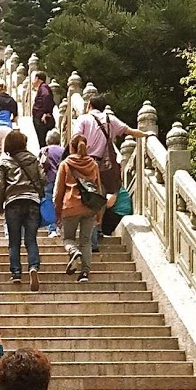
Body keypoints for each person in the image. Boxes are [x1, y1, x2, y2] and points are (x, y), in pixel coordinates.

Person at [77, 94, 147, 253]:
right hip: (104, 167)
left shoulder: (84, 119)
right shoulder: (110, 120)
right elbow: (130, 131)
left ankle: (87, 240)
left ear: (89, 105)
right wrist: (145, 134)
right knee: (97, 201)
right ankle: (95, 236)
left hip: (85, 165)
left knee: (85, 202)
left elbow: (76, 139)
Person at [0, 128, 44, 290]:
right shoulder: (33, 159)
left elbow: (0, 186)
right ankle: (33, 267)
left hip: (13, 203)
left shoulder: (4, 162)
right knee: (31, 239)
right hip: (32, 201)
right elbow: (43, 178)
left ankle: (16, 273)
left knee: (14, 241)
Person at [53, 133, 104, 283]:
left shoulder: (65, 164)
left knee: (68, 238)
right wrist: (99, 212)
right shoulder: (93, 165)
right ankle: (85, 273)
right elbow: (98, 189)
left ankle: (74, 252)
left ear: (71, 147)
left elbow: (58, 191)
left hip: (70, 206)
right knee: (86, 241)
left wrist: (57, 211)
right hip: (89, 207)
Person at [38, 129, 65, 237]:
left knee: (48, 204)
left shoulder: (43, 150)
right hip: (61, 180)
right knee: (60, 204)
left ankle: (52, 229)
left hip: (47, 180)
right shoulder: (63, 151)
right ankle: (60, 227)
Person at [31, 71, 56, 148]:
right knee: (42, 140)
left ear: (38, 79)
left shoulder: (43, 87)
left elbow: (46, 96)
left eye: (34, 79)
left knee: (43, 140)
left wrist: (45, 112)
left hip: (41, 118)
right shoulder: (42, 88)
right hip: (40, 117)